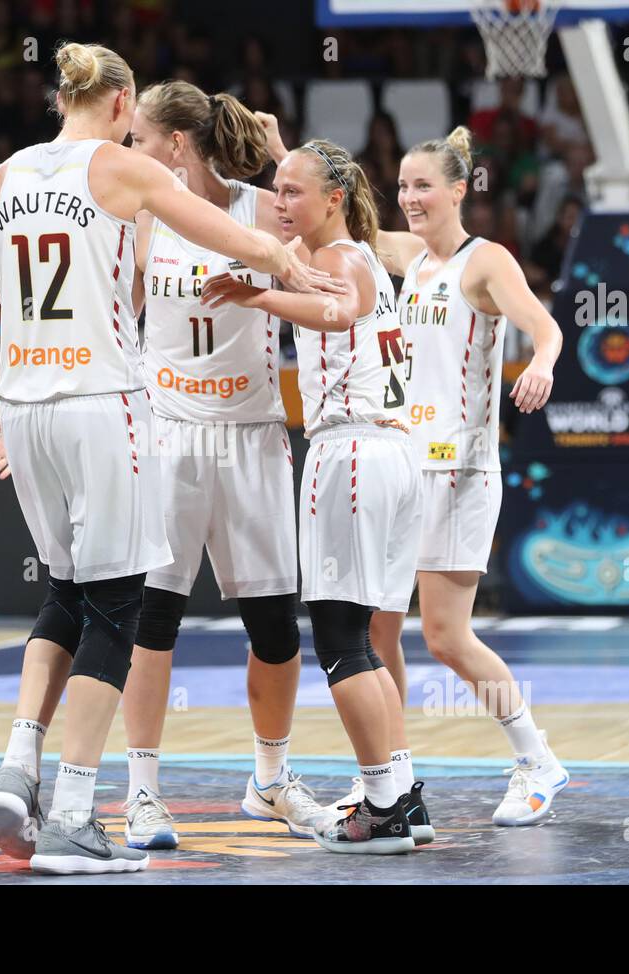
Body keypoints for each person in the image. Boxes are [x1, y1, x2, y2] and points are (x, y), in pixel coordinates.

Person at [0, 42, 330, 874]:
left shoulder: (8, 172)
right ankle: (75, 812)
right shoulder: (120, 170)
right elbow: (236, 238)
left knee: (66, 595)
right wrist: (286, 258)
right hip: (104, 409)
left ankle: (18, 764)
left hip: (23, 406)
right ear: (117, 105)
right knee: (118, 607)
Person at [259, 118, 568, 829]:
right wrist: (287, 161)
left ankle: (537, 758)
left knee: (447, 636)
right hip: (403, 467)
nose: (410, 197)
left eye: (424, 185)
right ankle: (390, 782)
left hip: (459, 468)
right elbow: (340, 217)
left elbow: (543, 325)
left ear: (461, 190)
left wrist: (545, 362)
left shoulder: (483, 261)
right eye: (402, 185)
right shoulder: (410, 261)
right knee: (378, 635)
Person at [201, 137, 425, 854]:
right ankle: (399, 793)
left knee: (338, 641)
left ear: (333, 198)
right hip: (388, 451)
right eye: (276, 189)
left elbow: (339, 312)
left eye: (294, 191)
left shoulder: (341, 260)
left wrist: (256, 292)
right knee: (359, 636)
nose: (279, 201)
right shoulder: (353, 255)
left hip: (352, 451)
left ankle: (383, 808)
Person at [112, 80, 321, 850]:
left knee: (274, 627)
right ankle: (142, 794)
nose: (129, 150)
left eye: (138, 137)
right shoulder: (140, 217)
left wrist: (278, 153)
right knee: (153, 620)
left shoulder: (265, 211)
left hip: (252, 433)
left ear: (175, 143)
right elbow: (112, 321)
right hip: (169, 433)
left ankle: (270, 781)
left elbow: (344, 218)